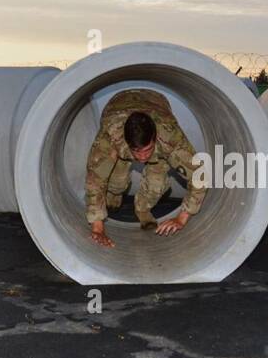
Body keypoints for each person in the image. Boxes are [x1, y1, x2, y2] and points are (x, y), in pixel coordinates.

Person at [85, 89, 207, 248]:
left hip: (156, 102)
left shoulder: (170, 138)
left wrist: (181, 218)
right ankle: (114, 194)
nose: (142, 157)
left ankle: (142, 209)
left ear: (155, 139)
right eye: (136, 151)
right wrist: (98, 227)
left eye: (147, 150)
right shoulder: (110, 137)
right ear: (128, 143)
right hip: (117, 105)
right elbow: (95, 180)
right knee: (116, 181)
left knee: (156, 185)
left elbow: (200, 175)